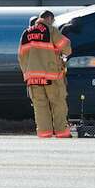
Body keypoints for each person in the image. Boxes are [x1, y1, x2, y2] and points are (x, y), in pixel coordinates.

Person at [17, 10, 72, 138]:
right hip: (51, 76)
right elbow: (66, 49)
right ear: (49, 18)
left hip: (33, 78)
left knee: (40, 106)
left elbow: (20, 57)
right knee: (57, 103)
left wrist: (27, 73)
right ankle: (61, 133)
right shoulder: (50, 30)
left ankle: (44, 133)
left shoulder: (26, 33)